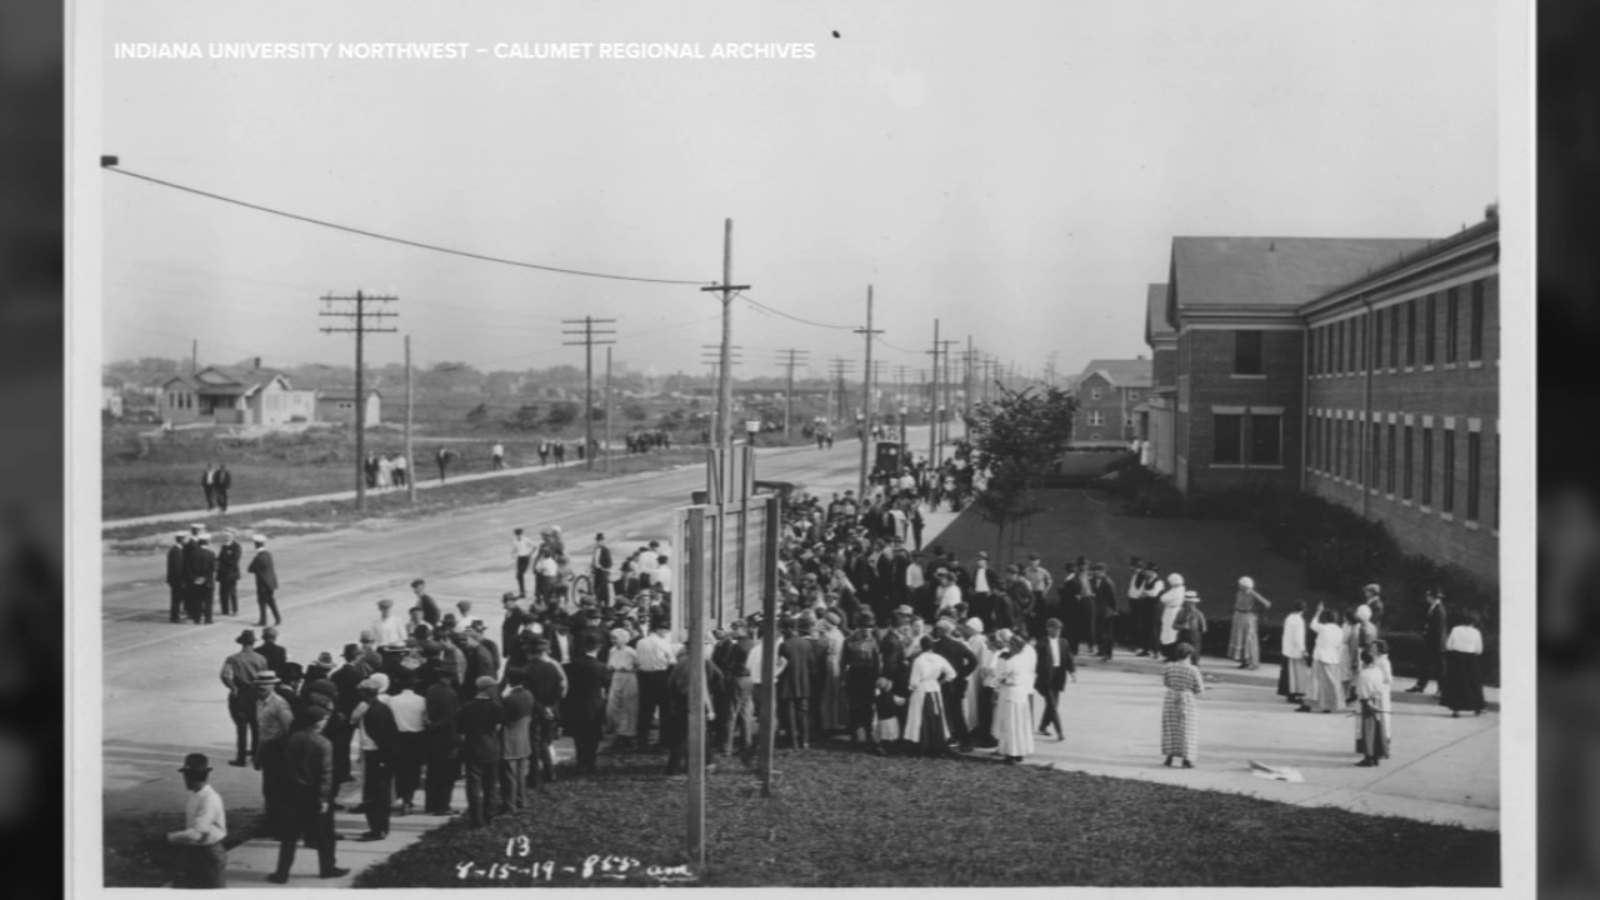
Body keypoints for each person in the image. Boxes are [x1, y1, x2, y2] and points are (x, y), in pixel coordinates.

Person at [267, 707, 348, 883]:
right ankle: (327, 867)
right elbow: (326, 774)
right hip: (313, 793)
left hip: (292, 792)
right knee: (325, 834)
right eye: (324, 719)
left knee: (289, 837)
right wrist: (324, 799)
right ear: (318, 722)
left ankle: (282, 873)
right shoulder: (324, 743)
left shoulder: (293, 738)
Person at [166, 753, 228, 889]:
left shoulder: (209, 799)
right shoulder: (196, 795)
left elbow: (197, 833)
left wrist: (169, 838)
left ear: (191, 776)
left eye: (186, 775)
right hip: (195, 851)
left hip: (209, 854)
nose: (184, 779)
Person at [351, 675, 397, 841]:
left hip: (377, 756)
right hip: (381, 756)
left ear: (366, 693)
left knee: (374, 794)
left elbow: (382, 737)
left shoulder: (373, 712)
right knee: (380, 794)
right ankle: (381, 828)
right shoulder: (380, 708)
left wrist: (383, 759)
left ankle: (377, 829)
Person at [253, 671, 295, 839]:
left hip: (279, 750)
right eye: (258, 686)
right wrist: (258, 754)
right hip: (267, 749)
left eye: (264, 686)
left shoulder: (280, 704)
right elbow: (260, 731)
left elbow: (288, 729)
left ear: (273, 686)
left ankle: (281, 827)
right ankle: (271, 824)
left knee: (279, 791)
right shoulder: (259, 703)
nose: (261, 689)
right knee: (268, 790)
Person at [457, 676, 504, 827]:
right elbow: (498, 727)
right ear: (489, 689)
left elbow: (460, 729)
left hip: (473, 749)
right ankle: (489, 816)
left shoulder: (466, 707)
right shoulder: (496, 707)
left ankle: (476, 819)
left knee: (473, 786)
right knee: (490, 786)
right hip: (491, 749)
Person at [564, 633, 612, 772]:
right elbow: (607, 685)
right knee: (593, 735)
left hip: (576, 703)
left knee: (579, 735)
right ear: (598, 648)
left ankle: (580, 760)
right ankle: (590, 762)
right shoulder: (601, 667)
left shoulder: (571, 664)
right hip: (594, 703)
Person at [902, 635, 956, 757]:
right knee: (935, 716)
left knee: (919, 718)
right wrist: (940, 682)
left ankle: (921, 744)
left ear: (921, 647)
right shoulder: (939, 658)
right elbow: (952, 674)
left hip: (921, 690)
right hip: (935, 689)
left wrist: (910, 691)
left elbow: (914, 682)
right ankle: (935, 744)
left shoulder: (919, 660)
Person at [421, 659, 462, 816]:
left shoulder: (432, 689)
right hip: (446, 737)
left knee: (433, 772)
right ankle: (442, 805)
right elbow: (451, 719)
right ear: (453, 676)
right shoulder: (451, 694)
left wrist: (431, 725)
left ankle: (431, 804)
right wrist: (456, 743)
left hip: (432, 737)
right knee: (447, 774)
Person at [221, 629, 267, 766]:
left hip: (240, 693)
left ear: (241, 643)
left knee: (241, 728)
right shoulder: (261, 659)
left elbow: (225, 676)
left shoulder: (233, 658)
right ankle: (256, 757)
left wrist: (233, 687)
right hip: (256, 694)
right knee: (256, 727)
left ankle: (241, 758)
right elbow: (265, 678)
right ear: (253, 643)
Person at [931, 618, 978, 751]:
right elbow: (973, 660)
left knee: (944, 712)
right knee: (957, 713)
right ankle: (963, 739)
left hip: (943, 683)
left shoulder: (937, 646)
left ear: (940, 631)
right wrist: (963, 673)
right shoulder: (958, 645)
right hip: (957, 683)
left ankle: (951, 737)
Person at [994, 632, 1037, 763]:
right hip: (1021, 694)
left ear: (1013, 646)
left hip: (1010, 694)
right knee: (1020, 724)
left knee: (1010, 724)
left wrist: (1000, 681)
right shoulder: (1024, 660)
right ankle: (1020, 752)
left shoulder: (1011, 662)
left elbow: (1006, 679)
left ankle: (1011, 753)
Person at [1160, 642, 1203, 768]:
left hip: (1170, 698)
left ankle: (1169, 756)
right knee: (1187, 729)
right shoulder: (1193, 669)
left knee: (1171, 728)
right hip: (1187, 699)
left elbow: (1166, 682)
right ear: (1189, 655)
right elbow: (1200, 689)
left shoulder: (1169, 667)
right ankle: (1187, 759)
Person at [634, 619, 675, 750]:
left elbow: (637, 659)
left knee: (645, 710)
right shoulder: (663, 643)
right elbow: (672, 661)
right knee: (665, 710)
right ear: (658, 630)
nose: (666, 633)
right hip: (661, 676)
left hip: (644, 677)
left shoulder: (640, 642)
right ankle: (665, 740)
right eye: (665, 630)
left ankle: (642, 741)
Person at [497, 668, 534, 814]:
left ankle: (509, 804)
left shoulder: (509, 699)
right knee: (520, 773)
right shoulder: (529, 695)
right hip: (523, 739)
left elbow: (502, 718)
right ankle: (521, 800)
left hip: (509, 740)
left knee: (509, 776)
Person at [1440, 610, 1488, 717]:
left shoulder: (1455, 630)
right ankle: (1477, 707)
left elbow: (1449, 645)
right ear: (1475, 621)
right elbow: (1479, 649)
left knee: (1456, 683)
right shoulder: (1476, 632)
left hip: (1457, 658)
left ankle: (1456, 709)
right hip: (1471, 659)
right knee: (1474, 683)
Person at [1300, 608, 1347, 713]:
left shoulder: (1324, 628)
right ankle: (1328, 705)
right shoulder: (1340, 631)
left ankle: (1308, 705)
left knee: (1314, 683)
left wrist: (1318, 611)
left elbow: (1312, 624)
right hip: (1333, 659)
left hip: (1321, 658)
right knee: (1330, 684)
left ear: (1326, 618)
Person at [1035, 618, 1075, 741]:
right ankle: (1060, 732)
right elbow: (1035, 661)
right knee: (1052, 705)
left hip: (1058, 675)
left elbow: (1068, 658)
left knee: (1053, 704)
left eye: (1059, 629)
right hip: (1046, 677)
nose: (1058, 631)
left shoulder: (1063, 643)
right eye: (1056, 629)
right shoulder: (1041, 644)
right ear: (1049, 629)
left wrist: (1072, 672)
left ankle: (1043, 726)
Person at [1408, 588, 1450, 695]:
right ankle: (1421, 685)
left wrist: (1431, 641)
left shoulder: (1439, 609)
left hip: (1436, 643)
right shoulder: (1434, 607)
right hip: (1431, 642)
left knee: (1439, 668)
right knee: (1426, 665)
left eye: (1428, 596)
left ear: (1433, 597)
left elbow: (1438, 630)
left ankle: (1442, 689)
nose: (1427, 598)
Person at [605, 628, 640, 750]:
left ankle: (628, 735)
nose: (613, 641)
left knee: (628, 707)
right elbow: (609, 664)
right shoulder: (612, 650)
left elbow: (638, 665)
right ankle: (618, 733)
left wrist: (629, 668)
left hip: (629, 678)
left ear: (624, 639)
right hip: (616, 678)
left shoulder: (631, 651)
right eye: (612, 638)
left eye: (616, 638)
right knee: (614, 706)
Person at [1354, 650, 1390, 767]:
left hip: (1367, 702)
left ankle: (1368, 757)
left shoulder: (1363, 674)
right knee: (1379, 728)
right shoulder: (1377, 671)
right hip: (1378, 701)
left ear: (1363, 661)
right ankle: (1376, 755)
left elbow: (1360, 691)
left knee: (1368, 730)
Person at [1229, 576, 1273, 670]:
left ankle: (1253, 662)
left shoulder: (1253, 594)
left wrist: (1255, 610)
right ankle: (1244, 661)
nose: (1239, 586)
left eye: (1240, 585)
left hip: (1248, 617)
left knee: (1249, 639)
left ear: (1245, 586)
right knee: (1240, 638)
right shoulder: (1239, 593)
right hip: (1239, 616)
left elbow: (1266, 604)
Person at [1277, 600, 1311, 705]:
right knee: (1297, 674)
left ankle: (1289, 693)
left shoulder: (1289, 617)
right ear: (1304, 610)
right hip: (1296, 651)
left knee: (1288, 673)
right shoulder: (1299, 621)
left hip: (1287, 649)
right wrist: (1303, 650)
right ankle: (1294, 694)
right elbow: (1298, 638)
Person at [247, 535, 281, 627]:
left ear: (256, 545)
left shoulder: (259, 557)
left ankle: (263, 620)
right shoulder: (267, 554)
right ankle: (277, 618)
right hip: (271, 582)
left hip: (262, 583)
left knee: (262, 602)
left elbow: (250, 569)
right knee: (271, 601)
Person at [185, 533, 217, 624]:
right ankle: (208, 619)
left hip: (195, 581)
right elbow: (212, 569)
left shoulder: (192, 553)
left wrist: (195, 578)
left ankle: (197, 618)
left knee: (197, 600)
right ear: (207, 542)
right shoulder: (211, 554)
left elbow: (188, 568)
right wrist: (205, 578)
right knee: (208, 601)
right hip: (207, 582)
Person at [1157, 573, 1186, 658]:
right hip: (1169, 610)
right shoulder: (1177, 589)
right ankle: (1167, 652)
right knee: (1166, 632)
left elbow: (1164, 598)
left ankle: (1170, 652)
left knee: (1171, 633)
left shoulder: (1178, 590)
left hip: (1173, 611)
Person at [1175, 592, 1207, 667]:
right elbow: (1174, 625)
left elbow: (1204, 628)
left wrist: (1195, 630)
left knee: (1194, 657)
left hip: (1194, 636)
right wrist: (1182, 626)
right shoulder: (1181, 612)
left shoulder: (1198, 613)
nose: (1191, 605)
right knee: (1181, 655)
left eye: (1192, 603)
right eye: (1189, 603)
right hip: (1182, 635)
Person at [216, 531, 242, 617]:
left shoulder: (236, 546)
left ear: (232, 537)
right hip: (223, 573)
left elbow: (235, 560)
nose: (226, 537)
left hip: (231, 573)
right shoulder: (223, 546)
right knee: (223, 592)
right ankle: (225, 610)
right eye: (225, 536)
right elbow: (220, 558)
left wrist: (224, 562)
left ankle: (235, 610)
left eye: (228, 536)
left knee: (232, 592)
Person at [166, 533, 188, 623]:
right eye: (183, 539)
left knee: (178, 598)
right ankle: (175, 617)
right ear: (180, 539)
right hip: (177, 580)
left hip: (176, 579)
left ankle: (176, 616)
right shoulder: (176, 551)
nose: (185, 541)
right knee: (176, 599)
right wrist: (182, 580)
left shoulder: (177, 550)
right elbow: (178, 568)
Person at [591, 533, 615, 607]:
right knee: (596, 590)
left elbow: (610, 563)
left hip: (603, 573)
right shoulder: (596, 549)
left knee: (602, 592)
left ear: (603, 541)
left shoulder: (606, 550)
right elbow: (594, 560)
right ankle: (598, 606)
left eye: (600, 540)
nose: (598, 542)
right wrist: (593, 568)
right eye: (597, 540)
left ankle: (605, 607)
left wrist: (603, 568)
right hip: (597, 573)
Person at [512, 528, 535, 599]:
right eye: (517, 534)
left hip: (525, 558)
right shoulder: (515, 540)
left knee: (520, 574)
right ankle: (522, 591)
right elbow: (516, 548)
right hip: (519, 558)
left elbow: (534, 546)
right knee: (519, 575)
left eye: (519, 534)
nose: (518, 535)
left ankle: (523, 592)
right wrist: (513, 553)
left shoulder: (526, 539)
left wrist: (530, 554)